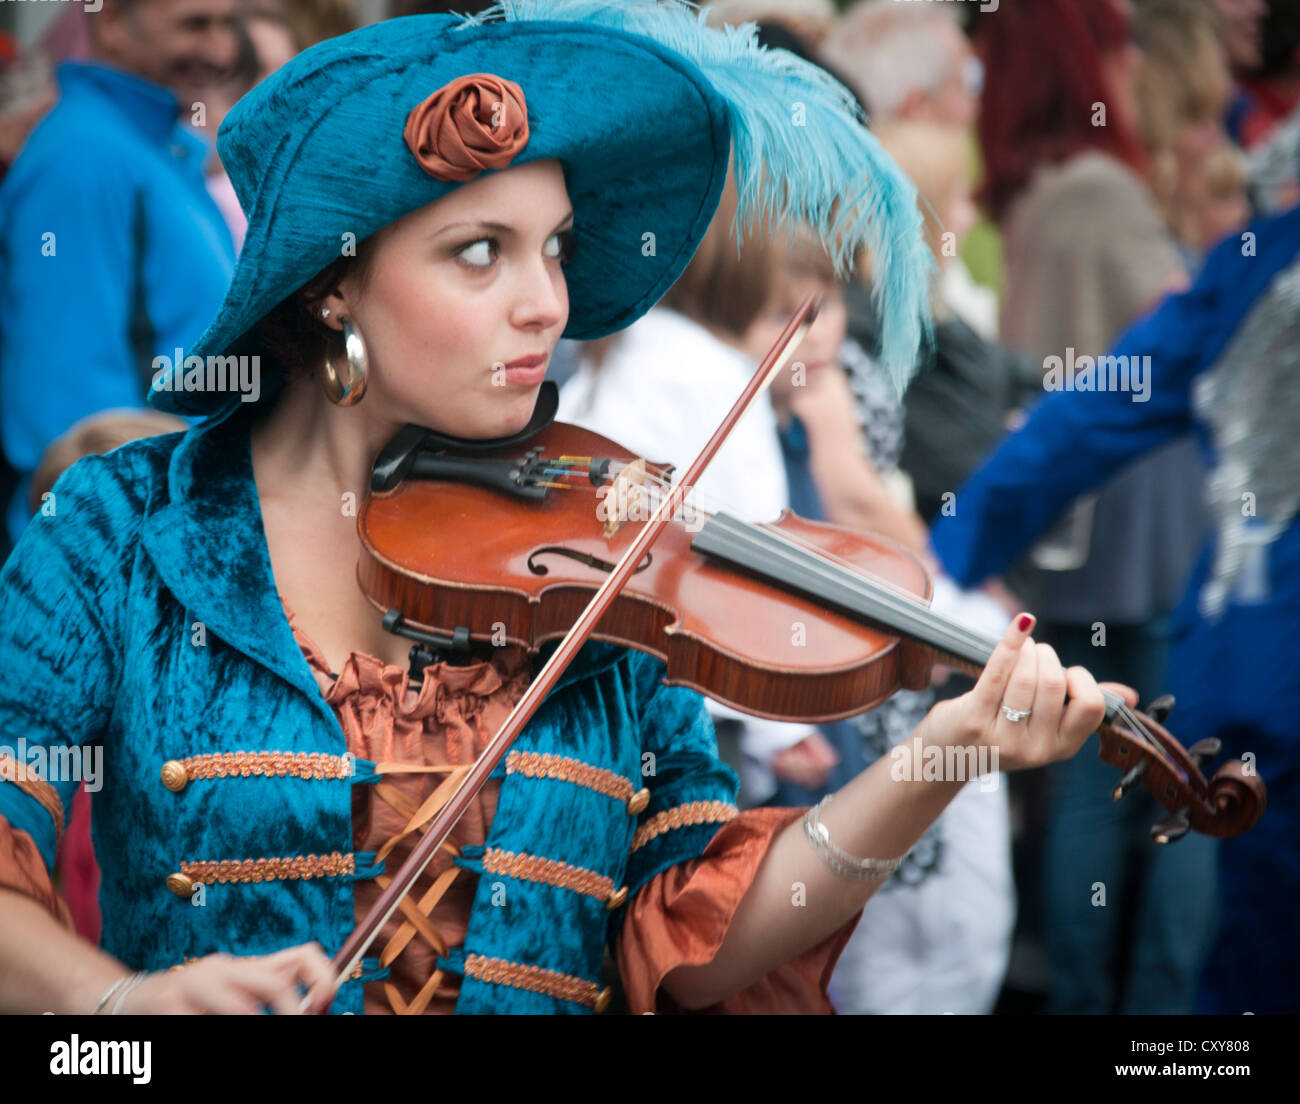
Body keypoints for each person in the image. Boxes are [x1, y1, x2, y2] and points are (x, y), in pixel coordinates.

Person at [0, 1, 1121, 1017]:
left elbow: (692, 939)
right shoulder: (125, 531)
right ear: (331, 282)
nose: (546, 304)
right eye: (477, 253)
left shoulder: (608, 544)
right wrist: (110, 1010)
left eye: (556, 250)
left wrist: (939, 759)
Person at [930, 197, 1300, 1016]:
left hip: (1252, 647)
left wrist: (957, 552)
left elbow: (1105, 402)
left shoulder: (1267, 246)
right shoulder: (1260, 241)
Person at [971, 0, 1215, 1014]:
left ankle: (1082, 994)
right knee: (1190, 779)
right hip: (1144, 524)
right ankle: (1161, 1007)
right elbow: (1187, 338)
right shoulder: (1101, 191)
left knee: (1081, 770)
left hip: (1073, 528)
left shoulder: (1032, 191)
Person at [0, 0, 240, 546]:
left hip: (179, 525)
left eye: (230, 24)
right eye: (195, 25)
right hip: (119, 552)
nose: (222, 50)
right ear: (110, 22)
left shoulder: (153, 146)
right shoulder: (82, 158)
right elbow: (73, 421)